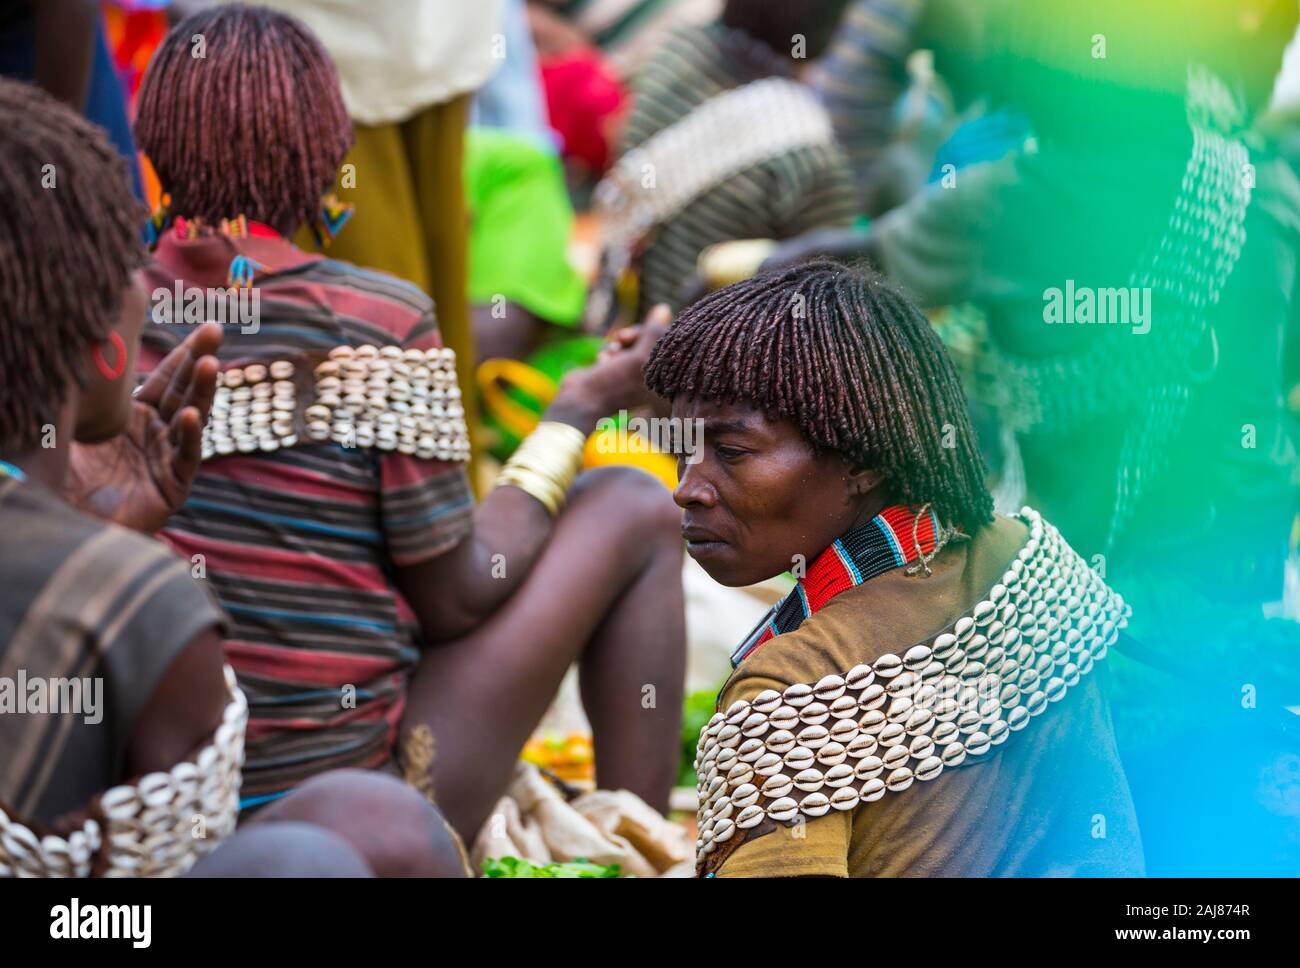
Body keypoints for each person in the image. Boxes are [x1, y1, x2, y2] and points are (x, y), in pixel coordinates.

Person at [132, 5, 685, 844]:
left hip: (146, 809)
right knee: (633, 504)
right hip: (355, 809)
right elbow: (459, 595)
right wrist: (575, 408)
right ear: (328, 154)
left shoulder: (104, 307)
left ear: (156, 140)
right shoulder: (378, 320)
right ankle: (640, 845)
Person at [0, 77, 464, 878]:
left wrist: (93, 536)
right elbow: (152, 867)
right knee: (309, 858)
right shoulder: (145, 603)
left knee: (371, 814)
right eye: (129, 272)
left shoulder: (104, 568)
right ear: (107, 342)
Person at [643, 262, 1143, 877]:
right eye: (682, 451)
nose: (687, 488)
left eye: (731, 452)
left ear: (862, 463)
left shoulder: (790, 688)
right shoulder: (1023, 565)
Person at [585, 0, 859, 326]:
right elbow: (829, 304)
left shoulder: (677, 50)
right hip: (697, 358)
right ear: (834, 26)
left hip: (606, 313)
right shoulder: (813, 159)